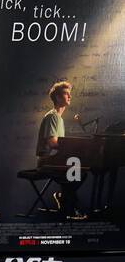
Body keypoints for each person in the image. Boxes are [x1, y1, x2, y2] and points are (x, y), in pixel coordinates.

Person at [35, 80, 88, 220]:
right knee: (79, 173)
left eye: (70, 94)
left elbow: (59, 145)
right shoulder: (53, 116)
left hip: (54, 160)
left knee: (79, 171)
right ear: (58, 97)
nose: (69, 96)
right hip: (46, 162)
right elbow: (52, 143)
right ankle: (69, 206)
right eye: (66, 94)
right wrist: (71, 147)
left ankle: (65, 200)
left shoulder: (59, 118)